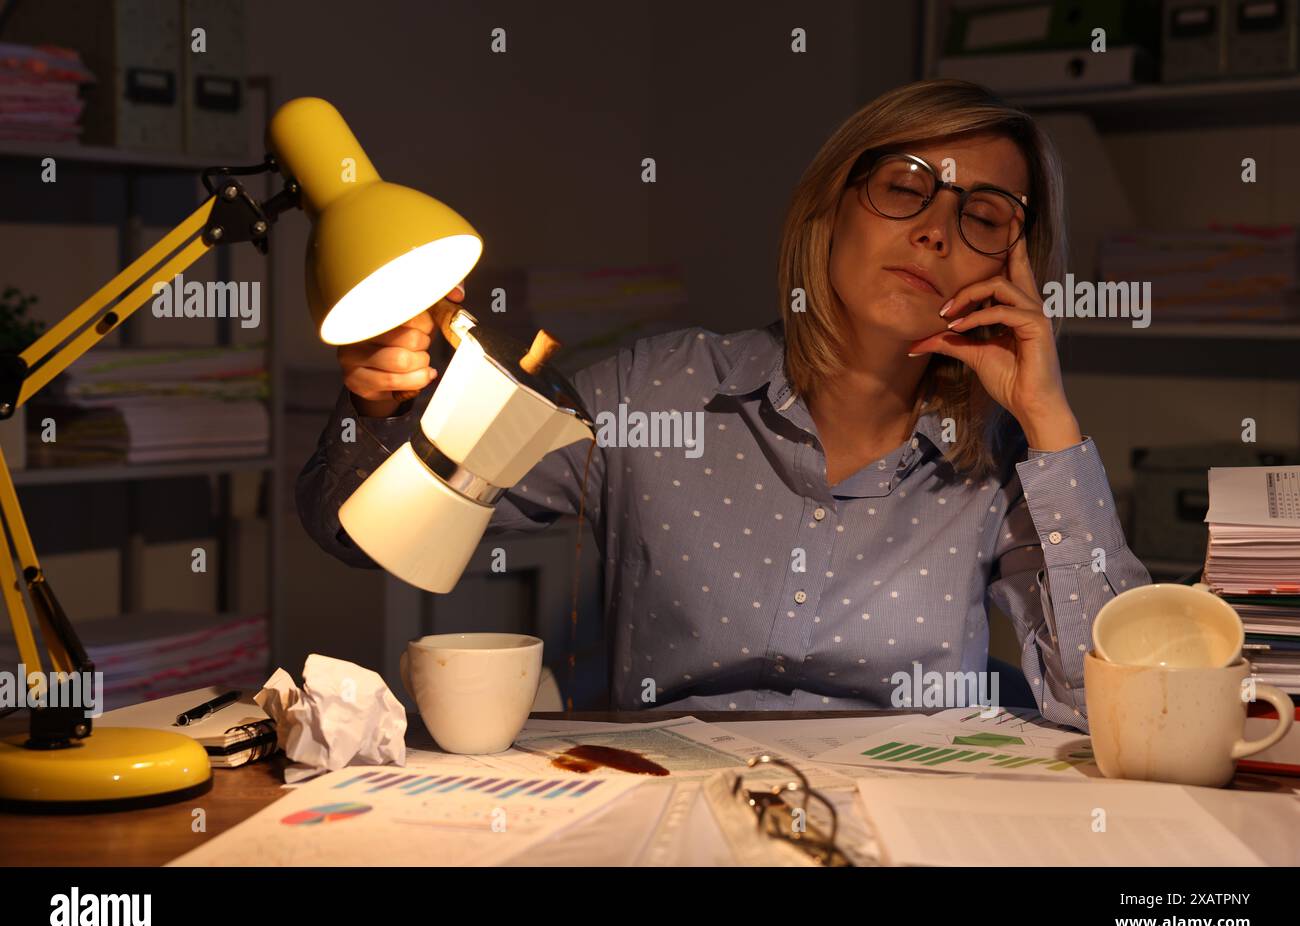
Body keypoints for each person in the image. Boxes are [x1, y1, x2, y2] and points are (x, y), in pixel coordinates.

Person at [296, 78, 1151, 731]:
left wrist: (1050, 422)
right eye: (905, 186)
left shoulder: (1007, 459)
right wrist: (374, 409)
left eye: (985, 216)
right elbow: (361, 534)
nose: (936, 230)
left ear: (1012, 270)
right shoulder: (654, 394)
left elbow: (1112, 708)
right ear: (829, 210)